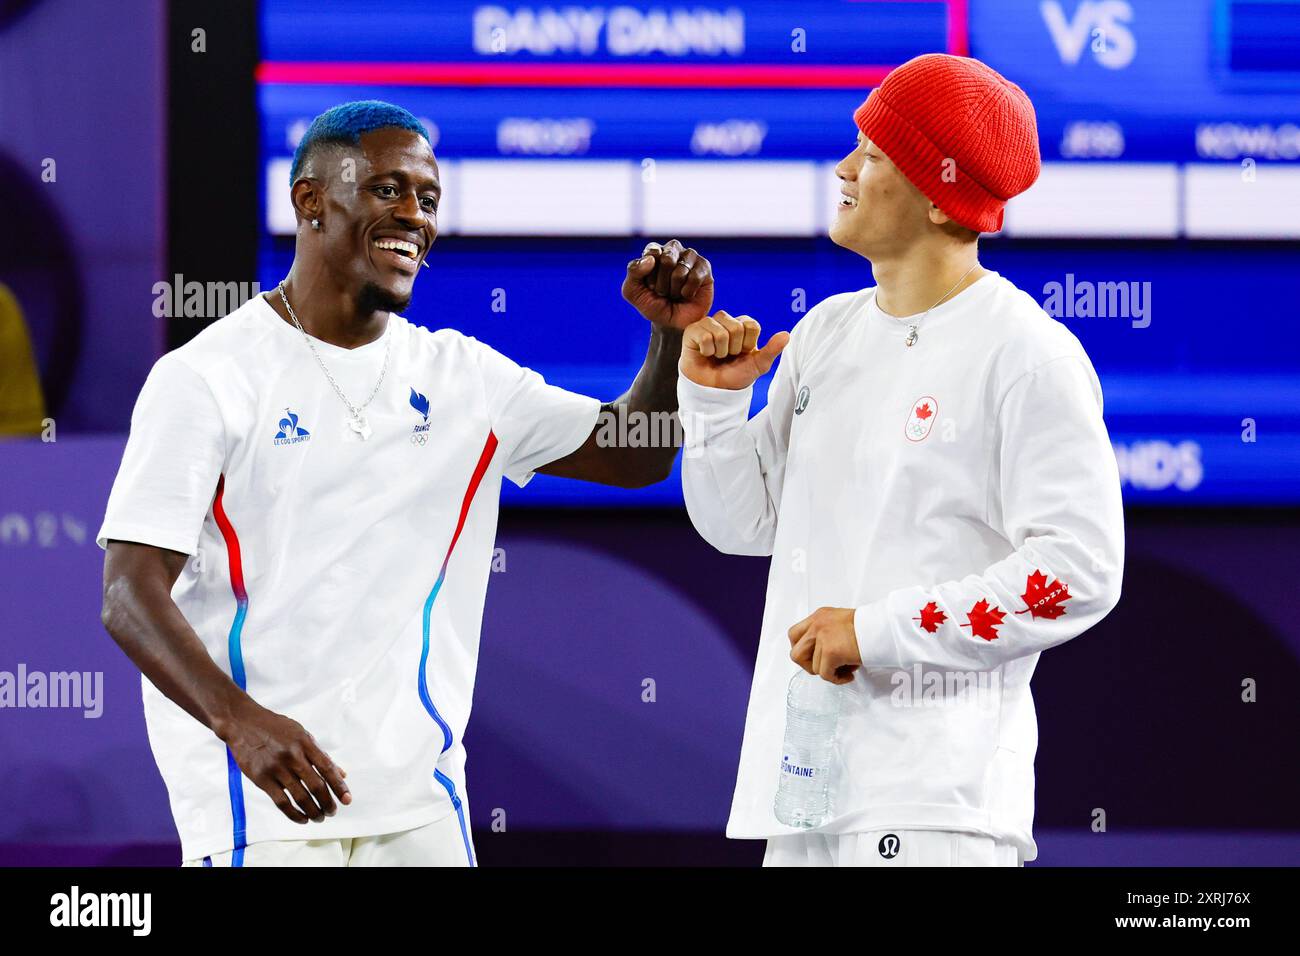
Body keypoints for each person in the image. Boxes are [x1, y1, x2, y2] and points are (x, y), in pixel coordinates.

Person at [98, 100, 709, 866]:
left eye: (428, 198)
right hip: (264, 804)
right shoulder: (207, 378)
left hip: (422, 804)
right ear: (310, 200)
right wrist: (240, 722)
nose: (414, 216)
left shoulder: (463, 377)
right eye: (388, 189)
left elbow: (635, 455)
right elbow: (128, 592)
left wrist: (669, 337)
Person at [674, 54, 1125, 867]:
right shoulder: (826, 334)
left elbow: (1079, 569)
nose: (844, 169)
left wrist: (879, 631)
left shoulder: (1026, 353)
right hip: (800, 790)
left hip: (932, 807)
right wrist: (711, 404)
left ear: (940, 195)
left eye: (874, 154)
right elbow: (742, 525)